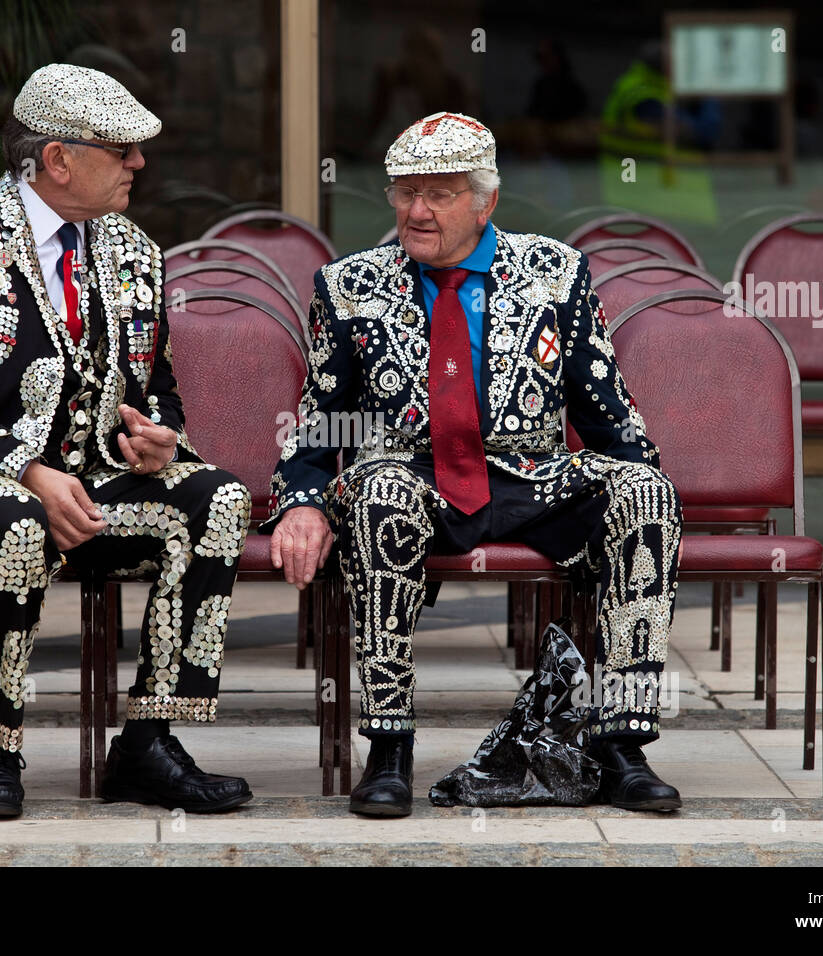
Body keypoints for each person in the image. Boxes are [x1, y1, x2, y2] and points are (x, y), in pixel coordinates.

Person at [0, 63, 253, 818]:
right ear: (57, 158)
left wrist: (158, 438)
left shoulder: (137, 248)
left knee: (218, 500)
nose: (140, 163)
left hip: (88, 479)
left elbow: (158, 386)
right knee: (11, 518)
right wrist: (27, 471)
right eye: (122, 148)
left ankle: (149, 744)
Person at [267, 111, 684, 817]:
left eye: (437, 194)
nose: (414, 210)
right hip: (413, 475)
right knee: (378, 496)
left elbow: (606, 412)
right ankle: (389, 747)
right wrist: (302, 501)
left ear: (485, 200)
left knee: (644, 493)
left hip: (531, 475)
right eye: (403, 193)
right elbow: (318, 427)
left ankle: (621, 744)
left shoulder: (557, 273)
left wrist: (643, 494)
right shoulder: (348, 286)